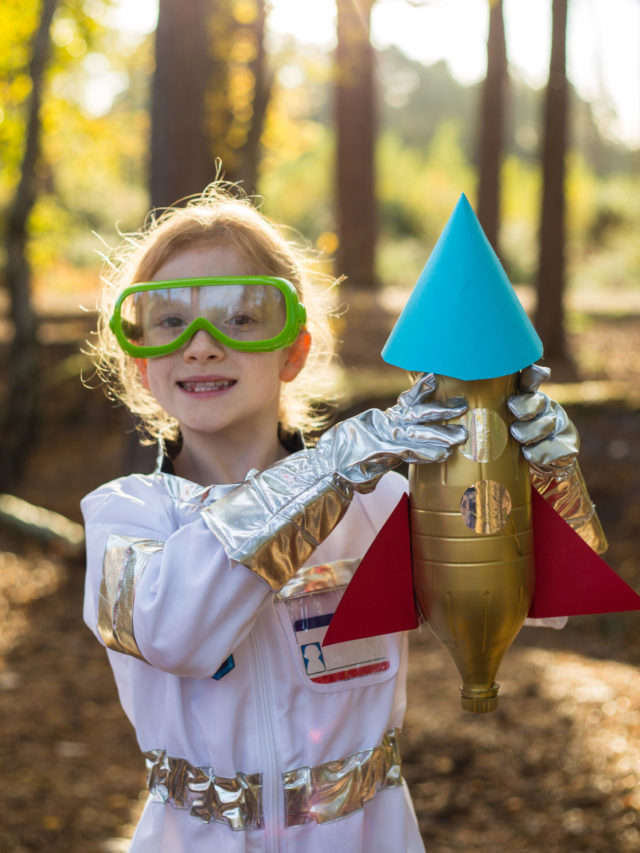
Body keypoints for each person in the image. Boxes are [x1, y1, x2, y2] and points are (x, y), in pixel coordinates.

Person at [82, 183, 593, 852]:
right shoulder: (124, 517)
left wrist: (542, 472)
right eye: (169, 320)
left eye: (243, 316)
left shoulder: (380, 505)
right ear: (139, 363)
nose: (201, 345)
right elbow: (176, 630)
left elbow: (537, 598)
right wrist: (338, 463)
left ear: (294, 349)